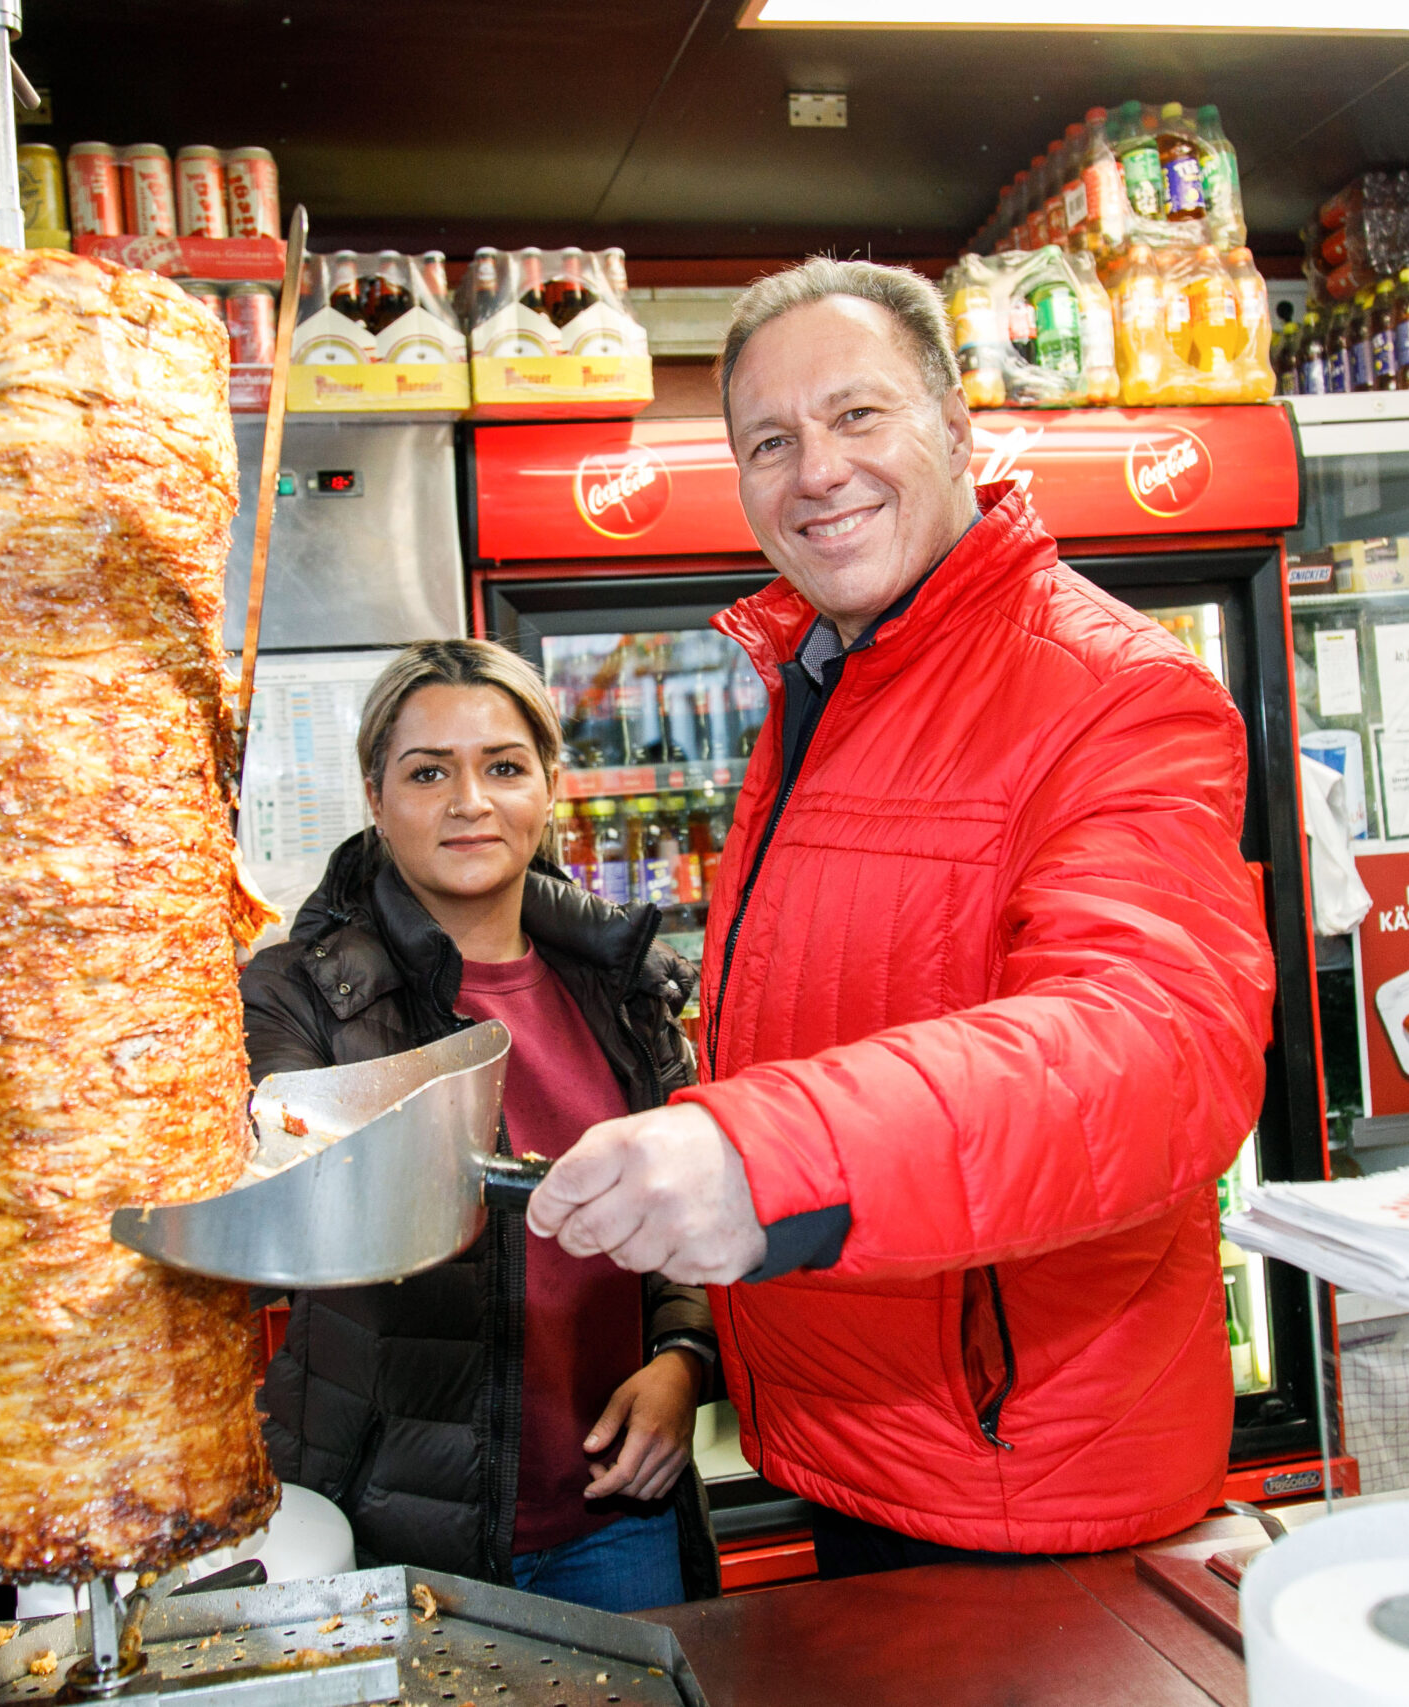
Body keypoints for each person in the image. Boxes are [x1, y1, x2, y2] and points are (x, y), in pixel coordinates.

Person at [525, 258, 1278, 1574]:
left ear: (957, 426)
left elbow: (1156, 1043)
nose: (816, 468)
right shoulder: (823, 682)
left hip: (1024, 1483)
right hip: (855, 1449)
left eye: (857, 415)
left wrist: (765, 1160)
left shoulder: (1116, 690)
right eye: (771, 440)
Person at [243, 639, 720, 1612]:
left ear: (548, 785)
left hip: (617, 1516)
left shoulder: (630, 987)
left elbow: (691, 1225)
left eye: (502, 767)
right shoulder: (298, 993)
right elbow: (288, 1210)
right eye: (429, 772)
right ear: (376, 797)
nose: (470, 801)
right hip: (391, 1525)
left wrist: (683, 1361)